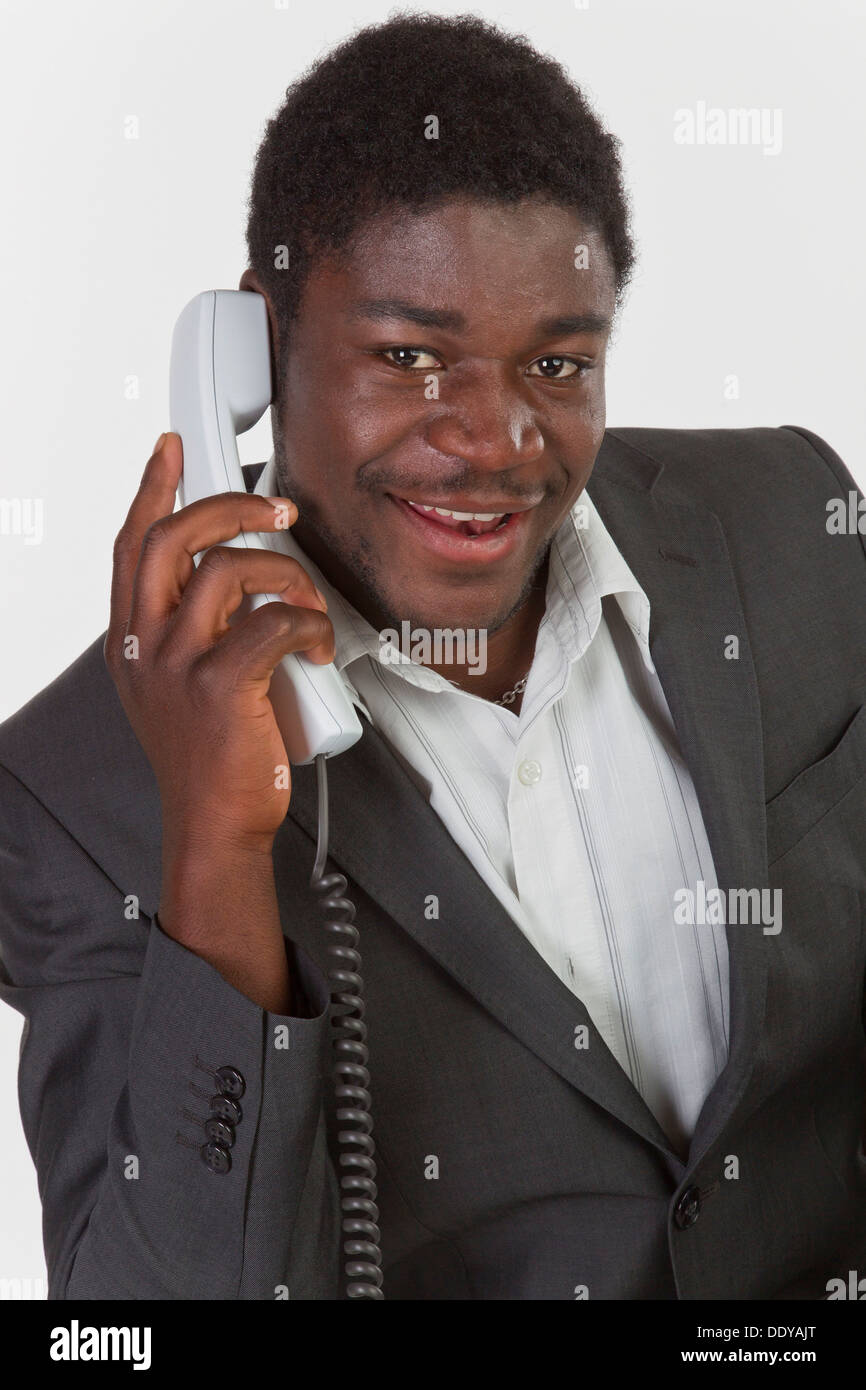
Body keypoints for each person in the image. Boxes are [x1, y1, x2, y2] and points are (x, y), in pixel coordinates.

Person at [1, 13, 864, 1301]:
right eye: (410, 357)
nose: (497, 440)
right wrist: (217, 849)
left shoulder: (793, 518)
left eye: (557, 362)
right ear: (252, 350)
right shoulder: (69, 795)